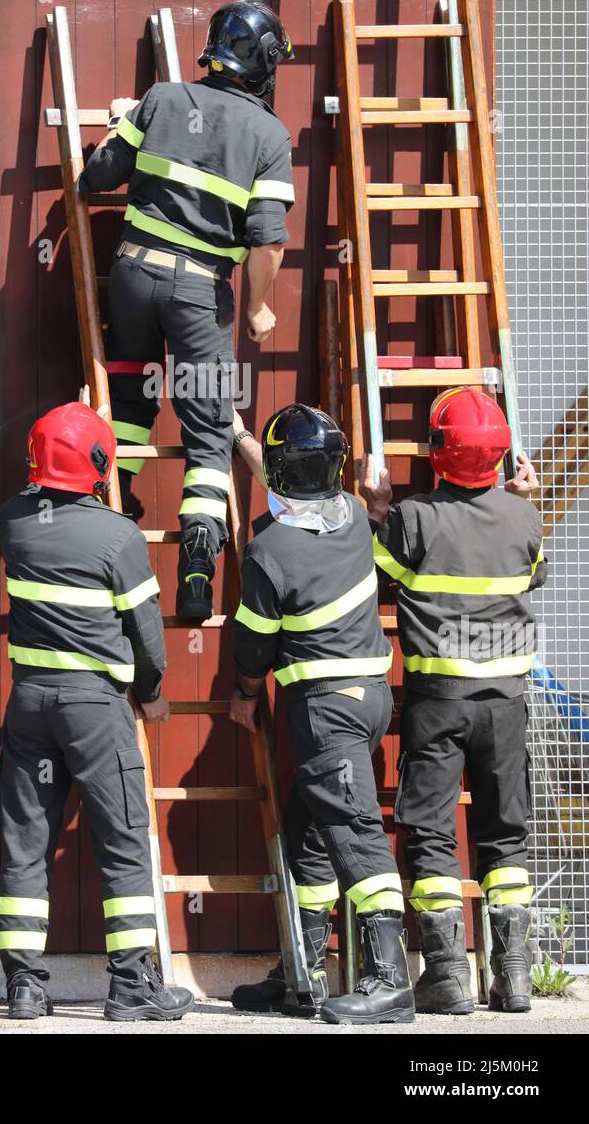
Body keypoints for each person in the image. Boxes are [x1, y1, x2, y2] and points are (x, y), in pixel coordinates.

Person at [78, 0, 295, 620]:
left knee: (130, 399)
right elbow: (269, 241)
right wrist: (255, 309)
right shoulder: (270, 137)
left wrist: (123, 123)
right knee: (206, 435)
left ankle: (110, 515)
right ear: (262, 69)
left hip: (131, 274)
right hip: (201, 294)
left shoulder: (162, 99)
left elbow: (97, 176)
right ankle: (197, 570)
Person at [0, 393, 193, 1022]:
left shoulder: (12, 522)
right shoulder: (118, 536)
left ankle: (25, 987)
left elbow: (42, 494)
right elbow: (148, 638)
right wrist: (153, 694)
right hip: (95, 706)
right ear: (101, 466)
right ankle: (132, 988)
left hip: (28, 702)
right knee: (125, 839)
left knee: (24, 839)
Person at [228, 405, 415, 1025]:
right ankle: (302, 974)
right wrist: (244, 438)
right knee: (311, 834)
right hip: (368, 698)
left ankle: (391, 983)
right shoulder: (357, 518)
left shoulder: (267, 549)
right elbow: (293, 485)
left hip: (325, 712)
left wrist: (246, 692)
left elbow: (254, 645)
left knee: (356, 832)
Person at [362, 387, 545, 1014]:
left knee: (430, 832)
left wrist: (376, 509)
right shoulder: (526, 518)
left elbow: (377, 575)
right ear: (498, 455)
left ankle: (446, 976)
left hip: (437, 704)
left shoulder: (413, 520)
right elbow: (533, 571)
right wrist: (517, 504)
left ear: (439, 451)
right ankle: (514, 977)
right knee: (505, 835)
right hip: (507, 703)